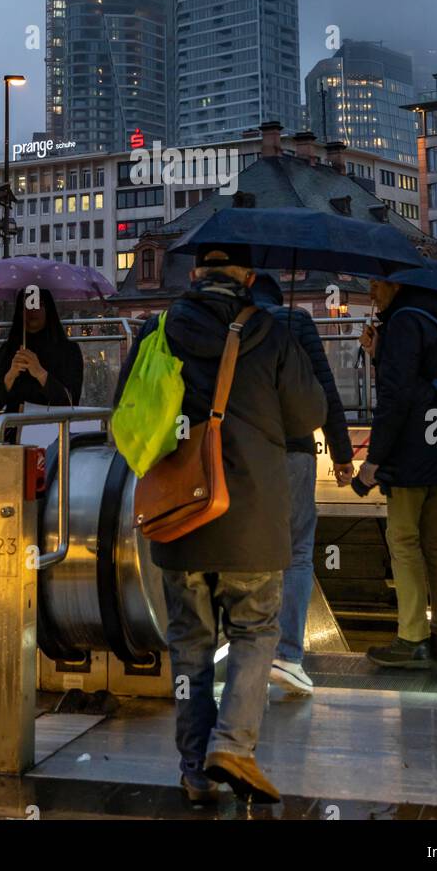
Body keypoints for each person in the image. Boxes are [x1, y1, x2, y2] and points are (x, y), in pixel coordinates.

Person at [113, 244, 326, 806]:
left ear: (196, 275)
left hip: (178, 518)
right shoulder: (273, 331)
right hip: (252, 519)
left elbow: (124, 412)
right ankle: (232, 744)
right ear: (248, 278)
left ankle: (195, 770)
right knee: (255, 634)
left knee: (190, 648)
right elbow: (310, 416)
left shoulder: (157, 330)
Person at [250, 274, 354, 697]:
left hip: (240, 455)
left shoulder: (233, 325)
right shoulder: (296, 322)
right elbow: (325, 388)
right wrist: (343, 452)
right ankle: (288, 656)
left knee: (246, 553)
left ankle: (248, 652)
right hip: (292, 451)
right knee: (295, 553)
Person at [356, 270, 437, 668]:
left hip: (411, 453)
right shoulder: (434, 317)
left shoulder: (402, 322)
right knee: (434, 544)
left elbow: (395, 398)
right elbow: (423, 382)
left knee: (403, 541)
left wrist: (374, 461)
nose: (371, 292)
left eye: (376, 284)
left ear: (396, 283)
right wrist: (380, 354)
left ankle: (411, 637)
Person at [0, 286, 83, 417]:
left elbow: (71, 401)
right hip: (14, 431)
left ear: (48, 310)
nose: (33, 310)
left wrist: (40, 373)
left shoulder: (69, 351)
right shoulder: (7, 351)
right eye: (28, 304)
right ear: (20, 311)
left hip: (55, 430)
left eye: (39, 304)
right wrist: (10, 376)